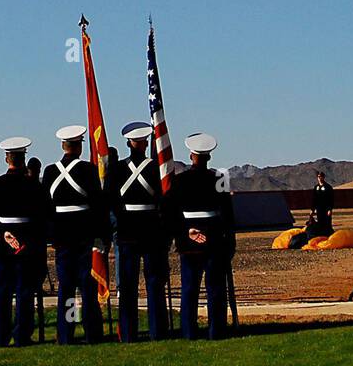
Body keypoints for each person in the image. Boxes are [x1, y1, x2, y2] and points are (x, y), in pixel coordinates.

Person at [165, 133, 235, 340]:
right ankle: (217, 330)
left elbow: (169, 210)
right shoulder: (220, 180)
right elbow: (227, 212)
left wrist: (184, 231)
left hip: (189, 241)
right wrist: (229, 240)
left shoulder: (179, 180)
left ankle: (188, 331)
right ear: (209, 157)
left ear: (190, 156)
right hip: (214, 240)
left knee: (189, 289)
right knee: (215, 289)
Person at [42, 125, 108, 344]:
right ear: (79, 147)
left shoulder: (51, 171)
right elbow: (98, 205)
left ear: (63, 146)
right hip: (84, 236)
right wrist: (101, 236)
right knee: (87, 289)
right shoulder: (88, 170)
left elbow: (47, 209)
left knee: (67, 290)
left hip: (62, 238)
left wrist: (51, 236)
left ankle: (66, 333)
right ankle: (91, 332)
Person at [109, 123, 170, 342]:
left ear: (128, 143)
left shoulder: (116, 169)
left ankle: (127, 333)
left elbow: (111, 200)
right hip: (151, 230)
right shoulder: (156, 167)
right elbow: (163, 200)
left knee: (127, 285)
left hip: (126, 231)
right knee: (154, 282)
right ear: (145, 143)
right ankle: (158, 331)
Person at [0, 137, 47, 346]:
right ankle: (22, 334)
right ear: (23, 158)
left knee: (2, 292)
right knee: (24, 291)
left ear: (6, 159)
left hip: (3, 242)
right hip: (28, 242)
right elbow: (43, 215)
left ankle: (0, 336)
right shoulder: (34, 186)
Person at [311, 172, 334, 237]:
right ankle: (321, 235)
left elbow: (331, 199)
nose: (320, 178)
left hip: (326, 208)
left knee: (327, 222)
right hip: (319, 208)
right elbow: (314, 199)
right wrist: (312, 209)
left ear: (324, 177)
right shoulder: (316, 187)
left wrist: (330, 209)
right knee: (320, 222)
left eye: (321, 176)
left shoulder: (328, 187)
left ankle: (329, 235)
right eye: (318, 177)